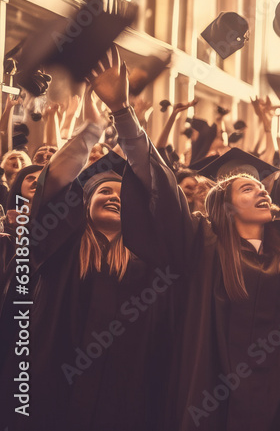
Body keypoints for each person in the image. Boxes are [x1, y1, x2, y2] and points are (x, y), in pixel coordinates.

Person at [102, 51, 280, 431]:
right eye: (248, 188)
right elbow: (158, 180)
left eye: (262, 187)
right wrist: (122, 111)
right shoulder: (202, 243)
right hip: (214, 391)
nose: (262, 191)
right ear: (225, 206)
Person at [1, 85, 174, 431]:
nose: (114, 197)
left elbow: (165, 192)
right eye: (104, 191)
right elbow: (53, 183)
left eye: (122, 195)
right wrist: (91, 130)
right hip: (52, 389)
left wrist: (126, 116)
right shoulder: (60, 245)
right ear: (83, 204)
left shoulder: (147, 262)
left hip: (122, 396)